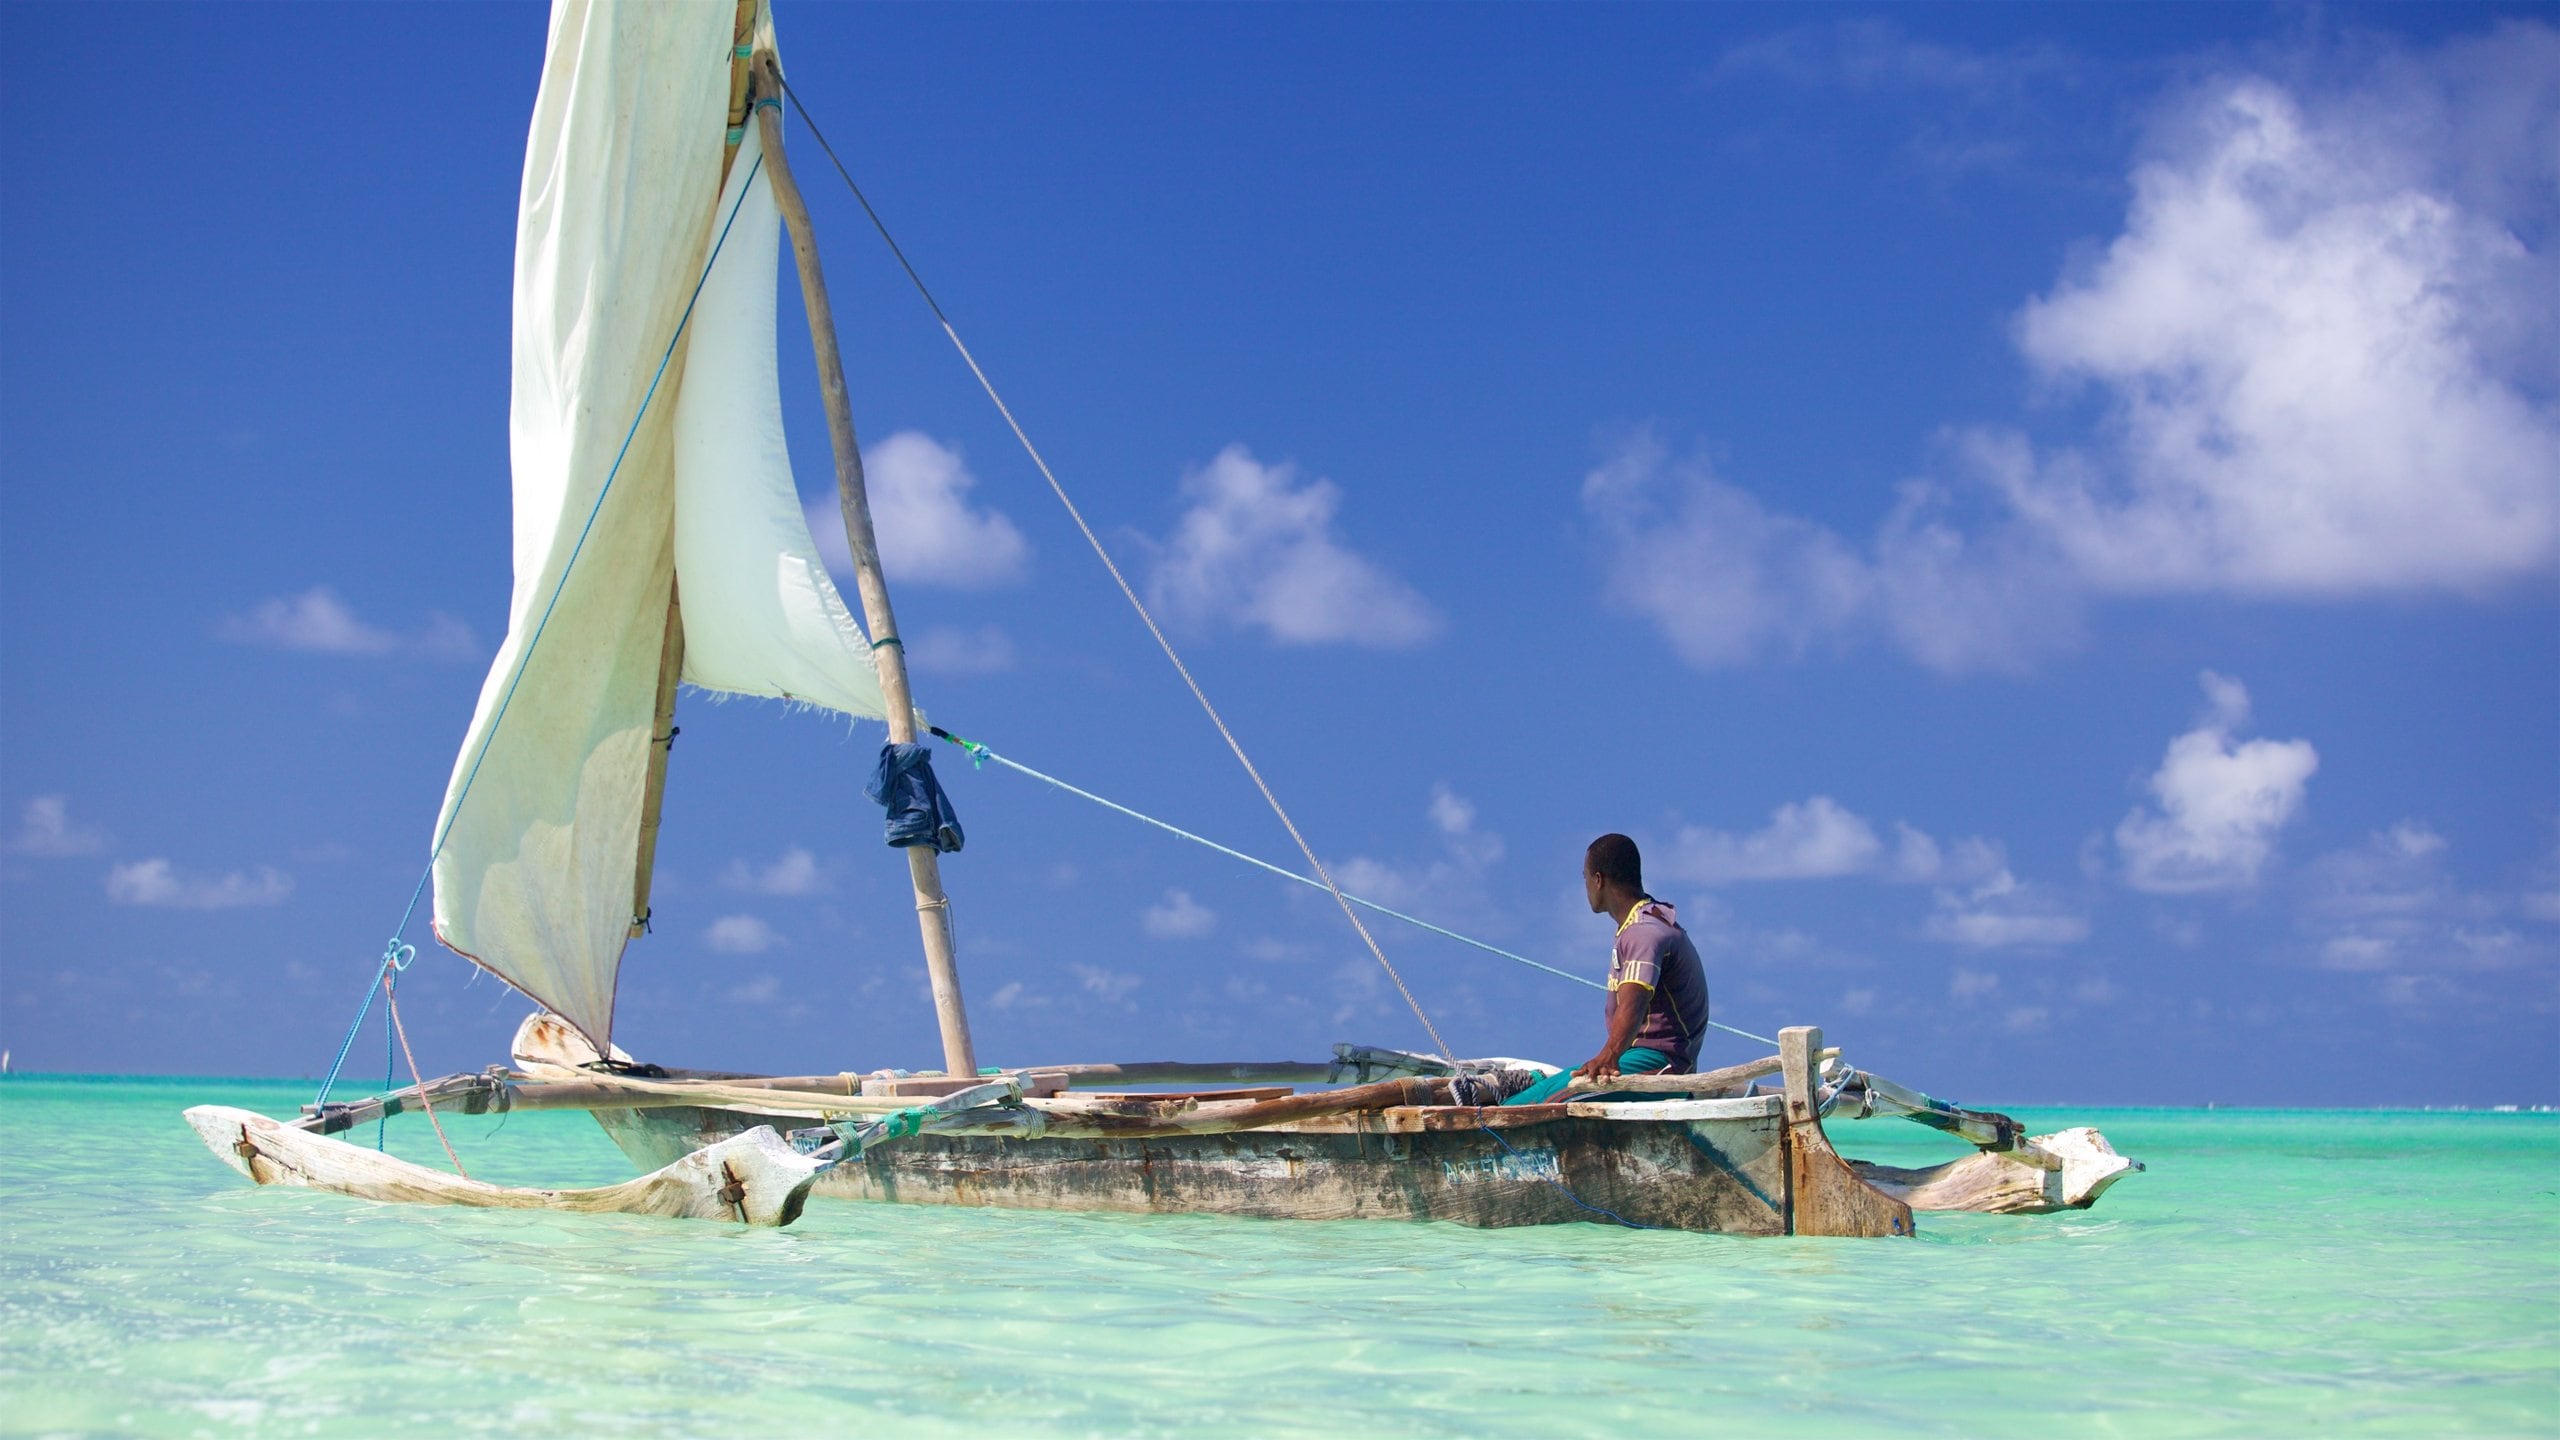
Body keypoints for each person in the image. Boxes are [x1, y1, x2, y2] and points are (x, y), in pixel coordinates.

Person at [1502, 833, 1709, 1107]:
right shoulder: (1641, 924)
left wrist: (1609, 1055)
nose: (1586, 886)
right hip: (1637, 1057)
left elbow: (1634, 1002)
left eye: (1585, 878)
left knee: (1541, 1104)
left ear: (1598, 880)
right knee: (1537, 1091)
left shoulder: (1643, 933)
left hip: (1660, 1063)